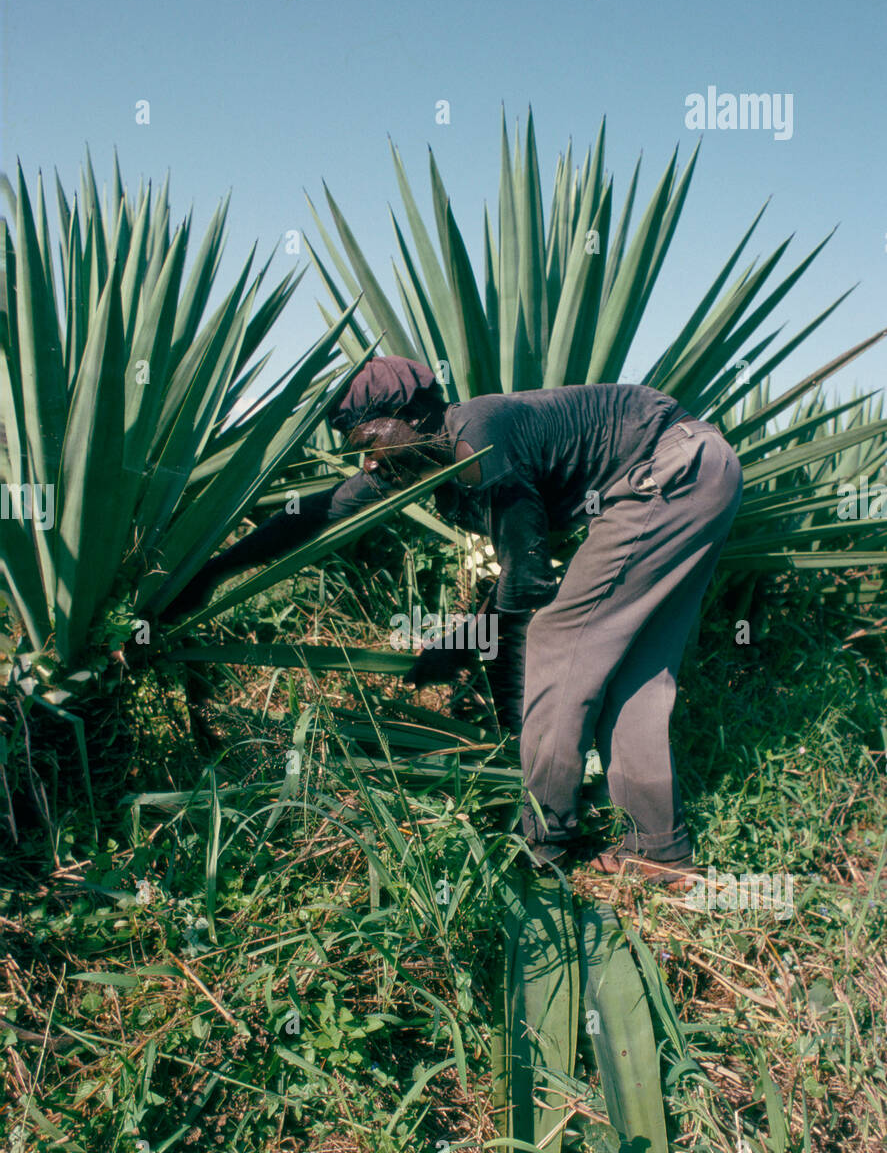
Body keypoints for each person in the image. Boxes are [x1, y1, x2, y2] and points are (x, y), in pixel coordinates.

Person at [165, 356, 742, 883]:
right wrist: (214, 571)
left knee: (559, 639)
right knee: (634, 668)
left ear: (410, 415)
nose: (367, 461)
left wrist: (462, 642)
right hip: (700, 468)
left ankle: (546, 841)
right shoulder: (421, 457)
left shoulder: (477, 437)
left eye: (369, 441)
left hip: (666, 470)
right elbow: (317, 512)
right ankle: (660, 855)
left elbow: (529, 581)